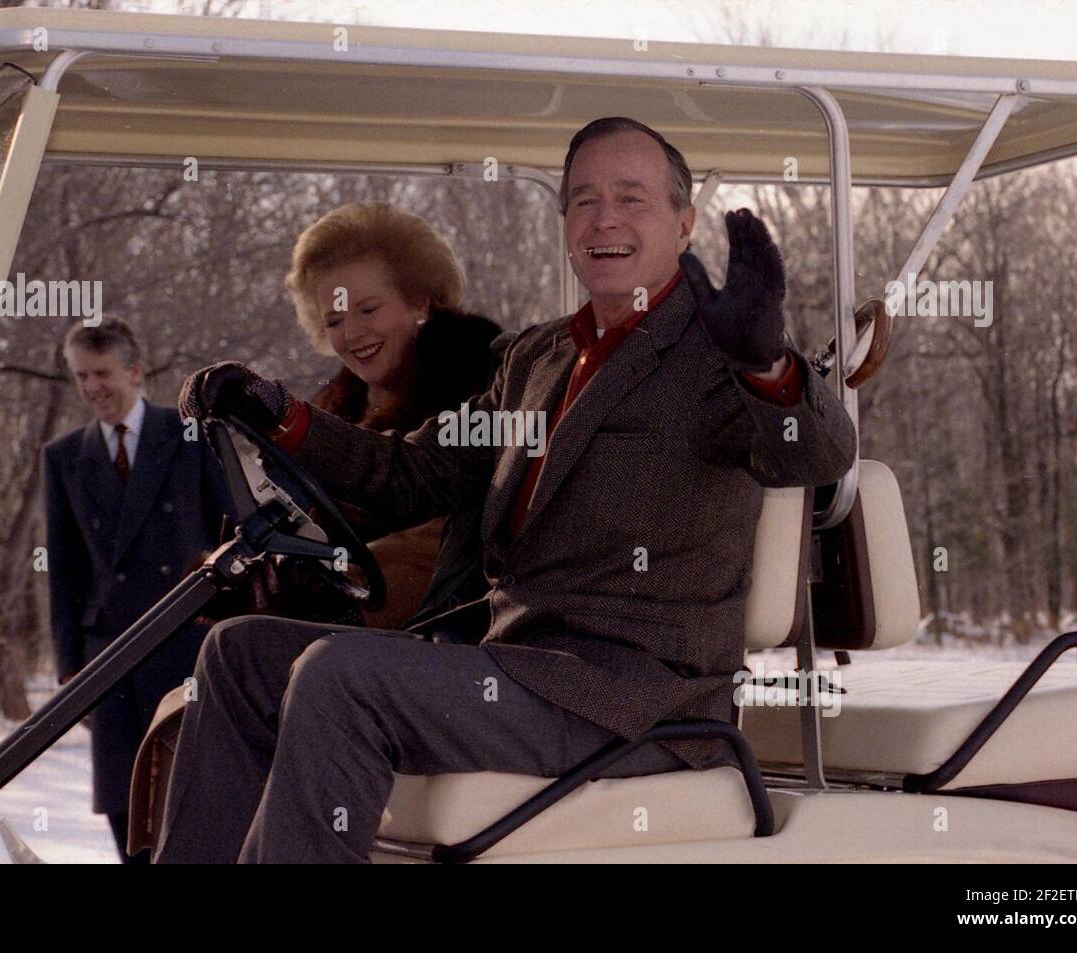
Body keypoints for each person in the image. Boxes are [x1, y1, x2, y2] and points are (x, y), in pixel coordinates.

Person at [155, 116, 857, 864]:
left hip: (633, 700)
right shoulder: (539, 357)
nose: (605, 218)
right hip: (517, 667)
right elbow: (414, 473)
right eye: (584, 201)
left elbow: (816, 451)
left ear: (684, 223)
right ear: (566, 227)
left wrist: (769, 366)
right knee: (239, 652)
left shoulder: (720, 357)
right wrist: (285, 416)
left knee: (343, 677)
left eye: (631, 198)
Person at [42, 319, 231, 863]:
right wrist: (69, 665)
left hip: (188, 637)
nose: (93, 387)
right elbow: (65, 570)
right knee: (126, 800)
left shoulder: (191, 434)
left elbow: (233, 531)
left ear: (135, 371)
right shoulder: (62, 457)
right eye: (82, 376)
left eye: (103, 373)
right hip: (110, 651)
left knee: (193, 788)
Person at [283, 201, 505, 628]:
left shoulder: (479, 394)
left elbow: (445, 548)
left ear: (419, 303)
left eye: (368, 310)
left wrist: (314, 584)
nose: (351, 334)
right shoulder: (335, 415)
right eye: (334, 321)